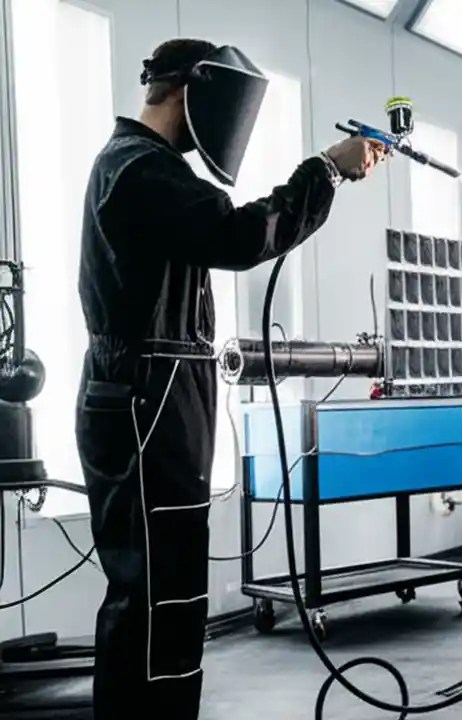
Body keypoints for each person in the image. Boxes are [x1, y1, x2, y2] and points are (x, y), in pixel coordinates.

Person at [74, 39, 384, 718]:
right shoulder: (138, 170)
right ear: (191, 92)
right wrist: (324, 174)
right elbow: (241, 236)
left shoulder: (142, 167)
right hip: (145, 396)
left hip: (155, 390)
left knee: (168, 583)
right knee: (154, 589)